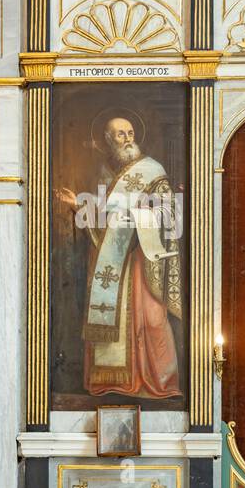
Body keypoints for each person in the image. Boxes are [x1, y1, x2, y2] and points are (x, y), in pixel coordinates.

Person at [55, 117, 182, 396]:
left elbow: (169, 214)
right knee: (115, 319)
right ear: (108, 140)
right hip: (111, 261)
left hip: (141, 259)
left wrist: (138, 217)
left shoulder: (153, 171)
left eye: (130, 132)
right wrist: (77, 205)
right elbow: (101, 219)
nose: (127, 138)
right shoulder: (103, 176)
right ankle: (112, 383)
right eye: (120, 134)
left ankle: (158, 382)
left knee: (151, 319)